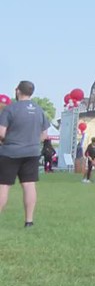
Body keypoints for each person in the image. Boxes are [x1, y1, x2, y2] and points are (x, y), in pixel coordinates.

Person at [0, 81, 52, 227]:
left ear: (17, 91)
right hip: (32, 152)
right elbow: (44, 135)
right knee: (29, 185)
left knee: (3, 186)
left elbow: (1, 132)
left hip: (10, 152)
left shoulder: (10, 109)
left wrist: (7, 140)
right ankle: (29, 221)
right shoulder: (39, 110)